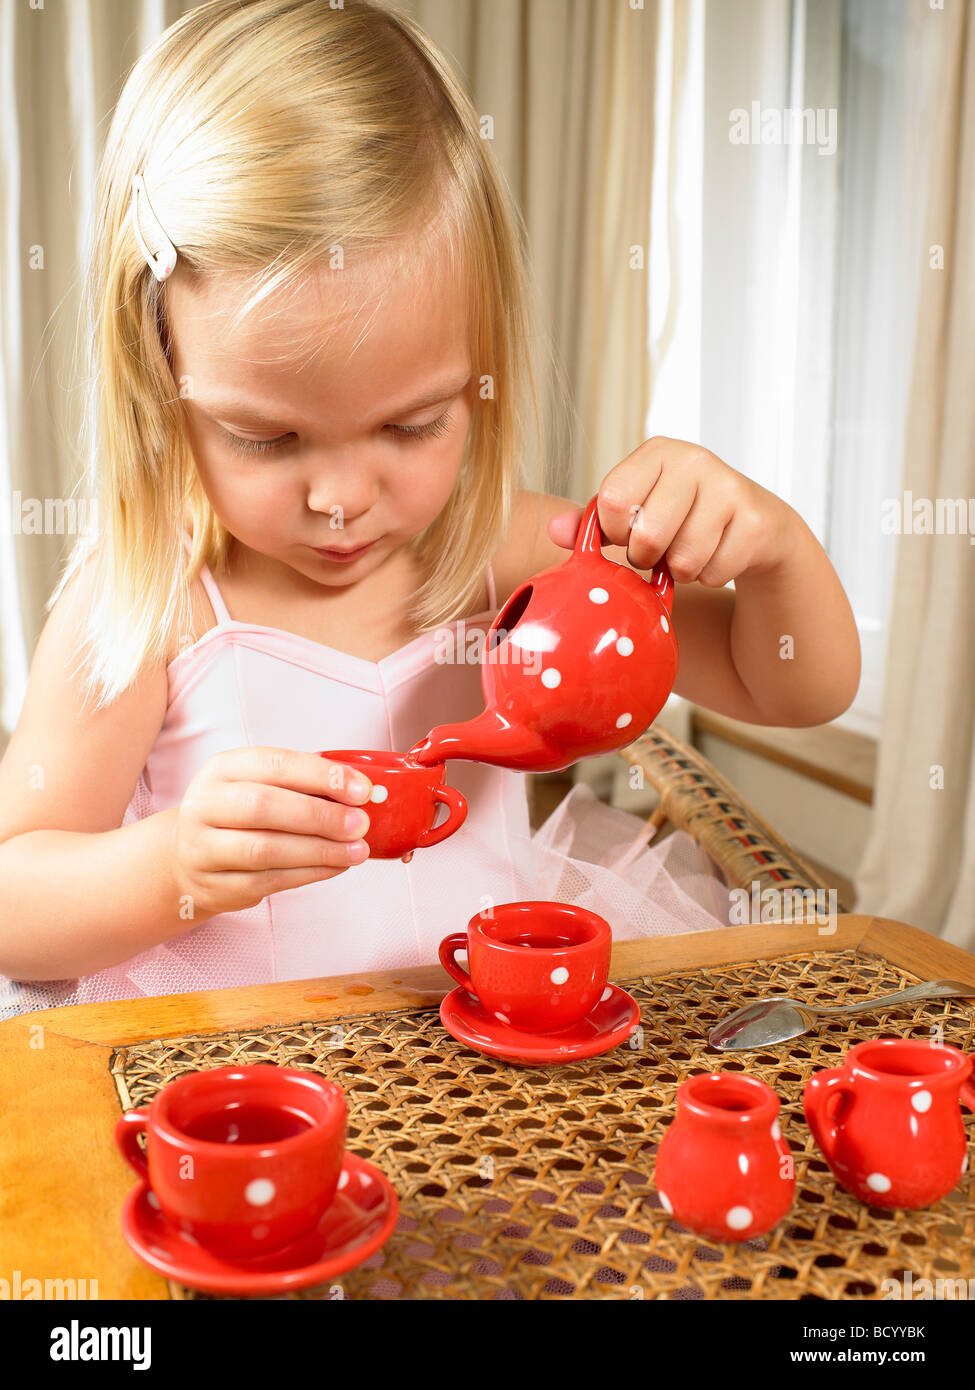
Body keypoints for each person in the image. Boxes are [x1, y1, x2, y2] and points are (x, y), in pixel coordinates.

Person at [0, 0, 860, 1015]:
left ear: (477, 377)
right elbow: (18, 901)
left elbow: (794, 689)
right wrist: (173, 864)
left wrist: (774, 552)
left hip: (480, 1074)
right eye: (267, 438)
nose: (341, 499)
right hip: (241, 1089)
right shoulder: (149, 600)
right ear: (161, 375)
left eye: (409, 427)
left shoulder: (497, 551)